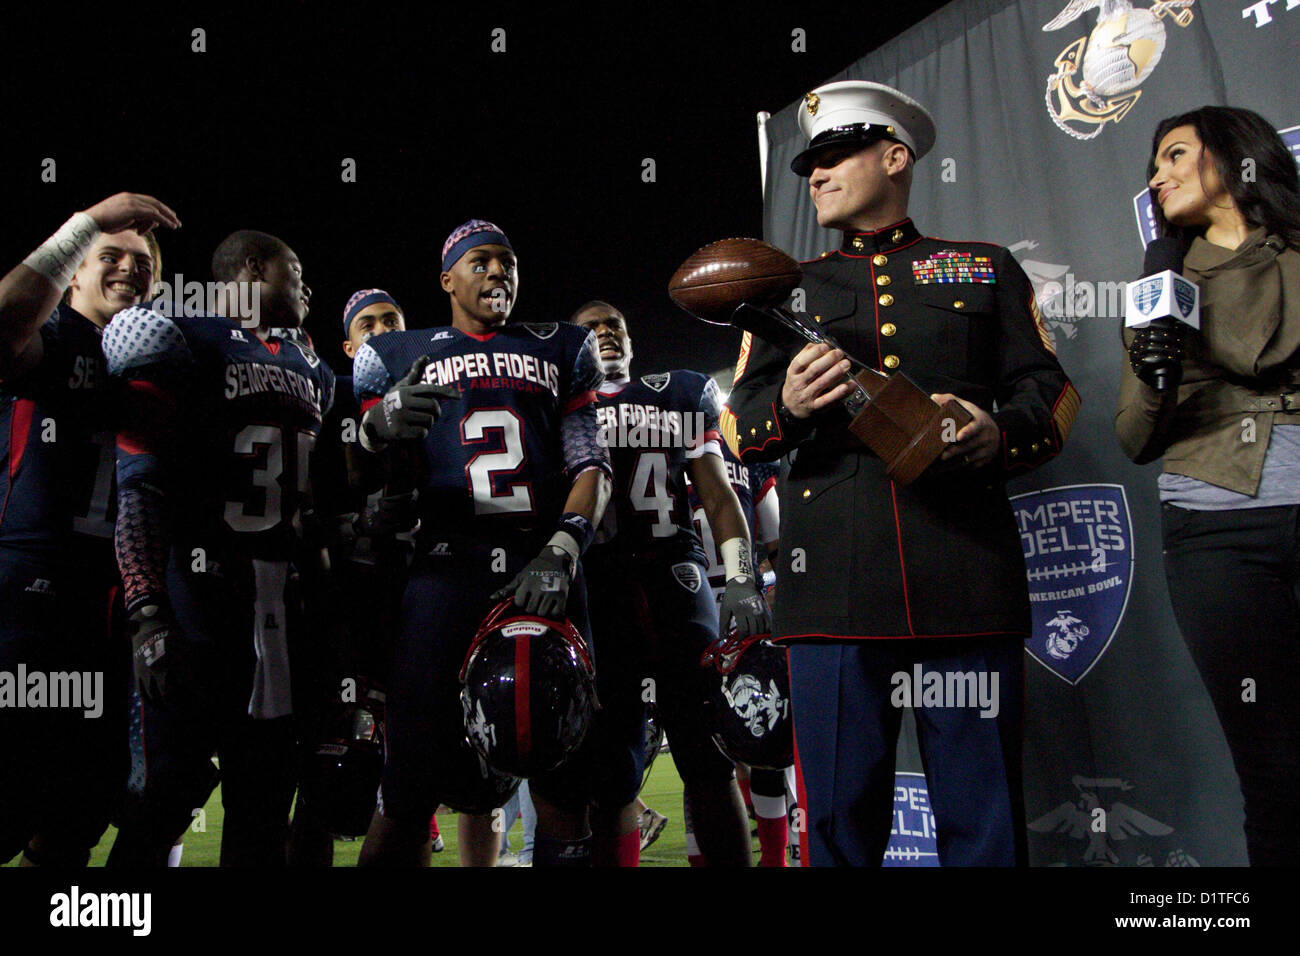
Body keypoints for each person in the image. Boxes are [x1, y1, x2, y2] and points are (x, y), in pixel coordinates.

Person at [725, 81, 1078, 866]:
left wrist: (998, 432)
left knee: (983, 827)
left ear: (895, 157)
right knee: (841, 832)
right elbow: (737, 428)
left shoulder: (984, 269)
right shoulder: (782, 289)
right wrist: (784, 405)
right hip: (834, 601)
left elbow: (1052, 394)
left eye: (833, 156)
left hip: (965, 586)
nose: (813, 175)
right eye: (807, 164)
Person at [353, 220, 612, 867]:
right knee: (411, 778)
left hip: (543, 565)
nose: (498, 272)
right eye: (481, 262)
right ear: (447, 279)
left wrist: (564, 548)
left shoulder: (564, 346)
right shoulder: (394, 353)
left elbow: (592, 467)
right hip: (447, 567)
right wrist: (377, 429)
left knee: (564, 774)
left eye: (508, 262)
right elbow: (349, 480)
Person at [102, 228, 335, 867]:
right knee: (165, 799)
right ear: (254, 267)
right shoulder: (182, 337)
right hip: (197, 597)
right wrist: (146, 611)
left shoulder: (315, 365)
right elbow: (139, 482)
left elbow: (318, 508)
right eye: (295, 267)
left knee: (263, 804)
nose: (306, 283)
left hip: (282, 612)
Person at [1117, 105, 1300, 866]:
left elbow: (1261, 351)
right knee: (1277, 769)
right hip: (1215, 531)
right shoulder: (1159, 281)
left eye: (1175, 155)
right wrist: (1159, 372)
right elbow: (1134, 437)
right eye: (1153, 166)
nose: (1158, 176)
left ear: (1237, 156)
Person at [0, 193, 177, 866]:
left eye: (142, 261)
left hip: (112, 614)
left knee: (79, 817)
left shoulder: (163, 357)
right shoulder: (52, 337)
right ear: (73, 271)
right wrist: (82, 227)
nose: (129, 269)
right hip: (29, 600)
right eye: (111, 255)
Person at [573, 300, 769, 867]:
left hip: (674, 580)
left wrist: (739, 577)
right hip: (601, 585)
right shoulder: (566, 405)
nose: (607, 333)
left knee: (708, 759)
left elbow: (717, 493)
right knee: (610, 774)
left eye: (617, 325)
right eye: (592, 328)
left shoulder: (677, 391)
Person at [289, 288, 412, 866]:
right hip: (341, 600)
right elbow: (305, 502)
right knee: (327, 763)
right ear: (347, 343)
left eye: (392, 320)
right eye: (368, 323)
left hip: (415, 592)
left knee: (412, 774)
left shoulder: (437, 385)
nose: (382, 330)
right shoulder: (332, 394)